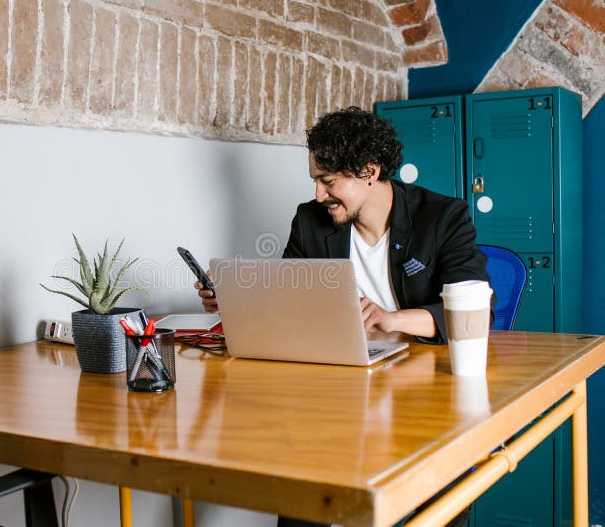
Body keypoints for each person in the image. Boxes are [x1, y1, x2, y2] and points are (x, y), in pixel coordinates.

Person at [197, 107, 490, 526]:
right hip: (340, 391)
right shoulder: (311, 221)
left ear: (369, 171)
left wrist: (392, 319)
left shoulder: (443, 217)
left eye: (328, 181)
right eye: (316, 180)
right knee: (301, 489)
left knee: (436, 498)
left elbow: (470, 312)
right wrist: (233, 298)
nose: (319, 195)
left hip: (422, 395)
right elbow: (286, 295)